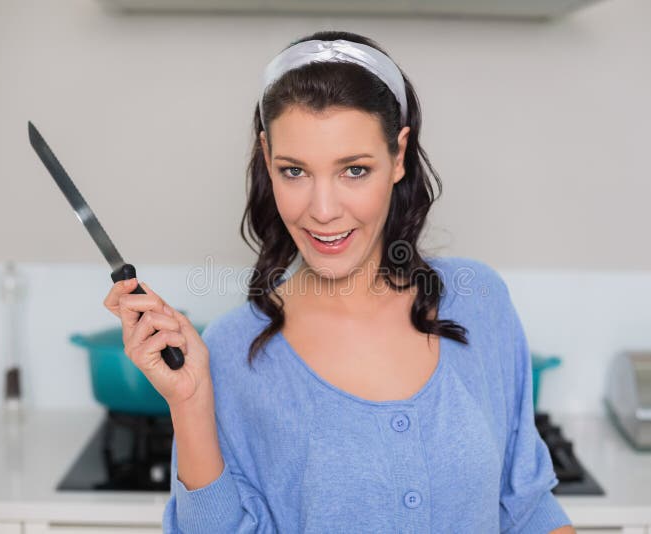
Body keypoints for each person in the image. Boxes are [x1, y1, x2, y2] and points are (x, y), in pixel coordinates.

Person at [103, 30, 575, 533]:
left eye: (353, 169)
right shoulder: (230, 352)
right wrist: (190, 404)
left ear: (398, 155)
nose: (323, 211)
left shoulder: (479, 303)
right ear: (267, 158)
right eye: (294, 171)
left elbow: (528, 510)